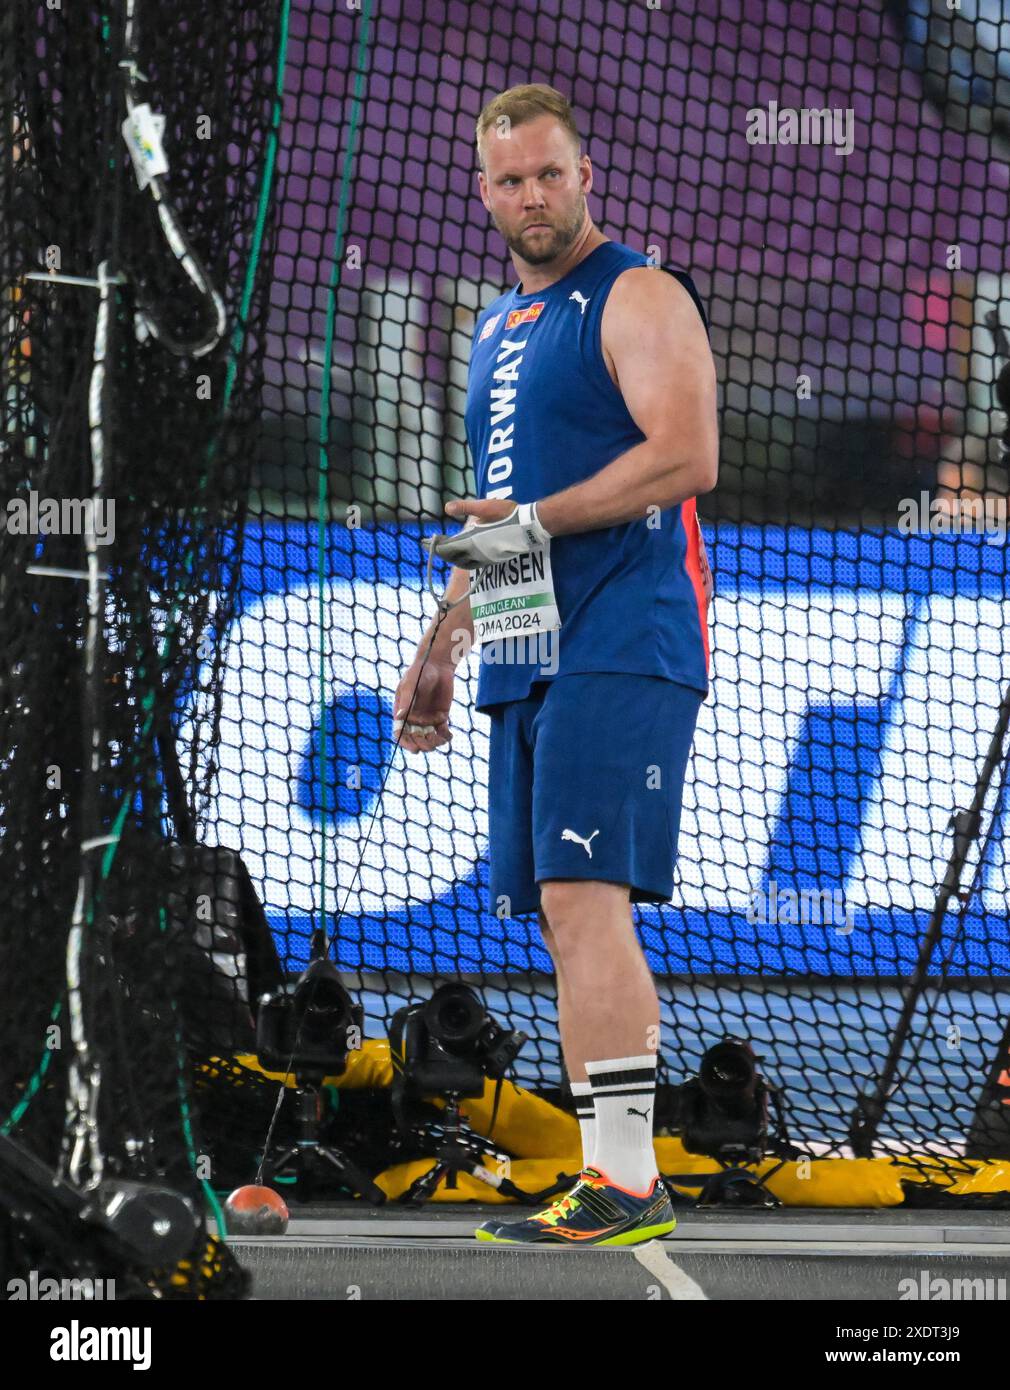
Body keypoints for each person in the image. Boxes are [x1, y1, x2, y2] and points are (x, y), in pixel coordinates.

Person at [393, 83, 717, 1246]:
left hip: (625, 637)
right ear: (483, 195)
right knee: (555, 912)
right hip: (529, 649)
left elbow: (687, 456)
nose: (532, 194)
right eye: (509, 180)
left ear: (586, 176)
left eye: (548, 172)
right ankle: (607, 1171)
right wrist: (442, 636)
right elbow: (501, 507)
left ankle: (626, 1181)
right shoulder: (495, 324)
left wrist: (532, 523)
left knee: (585, 901)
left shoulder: (635, 294)